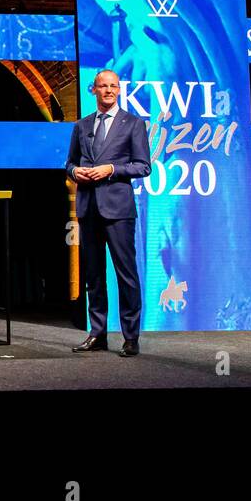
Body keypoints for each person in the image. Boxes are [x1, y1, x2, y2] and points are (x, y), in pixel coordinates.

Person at [66, 69, 151, 357]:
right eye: (103, 86)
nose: (109, 90)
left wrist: (112, 169)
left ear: (119, 90)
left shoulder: (133, 124)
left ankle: (130, 337)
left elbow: (143, 166)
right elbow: (69, 164)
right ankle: (97, 334)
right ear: (94, 90)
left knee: (126, 274)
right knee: (94, 275)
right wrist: (76, 171)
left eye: (113, 86)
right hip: (89, 208)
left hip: (118, 210)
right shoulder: (82, 125)